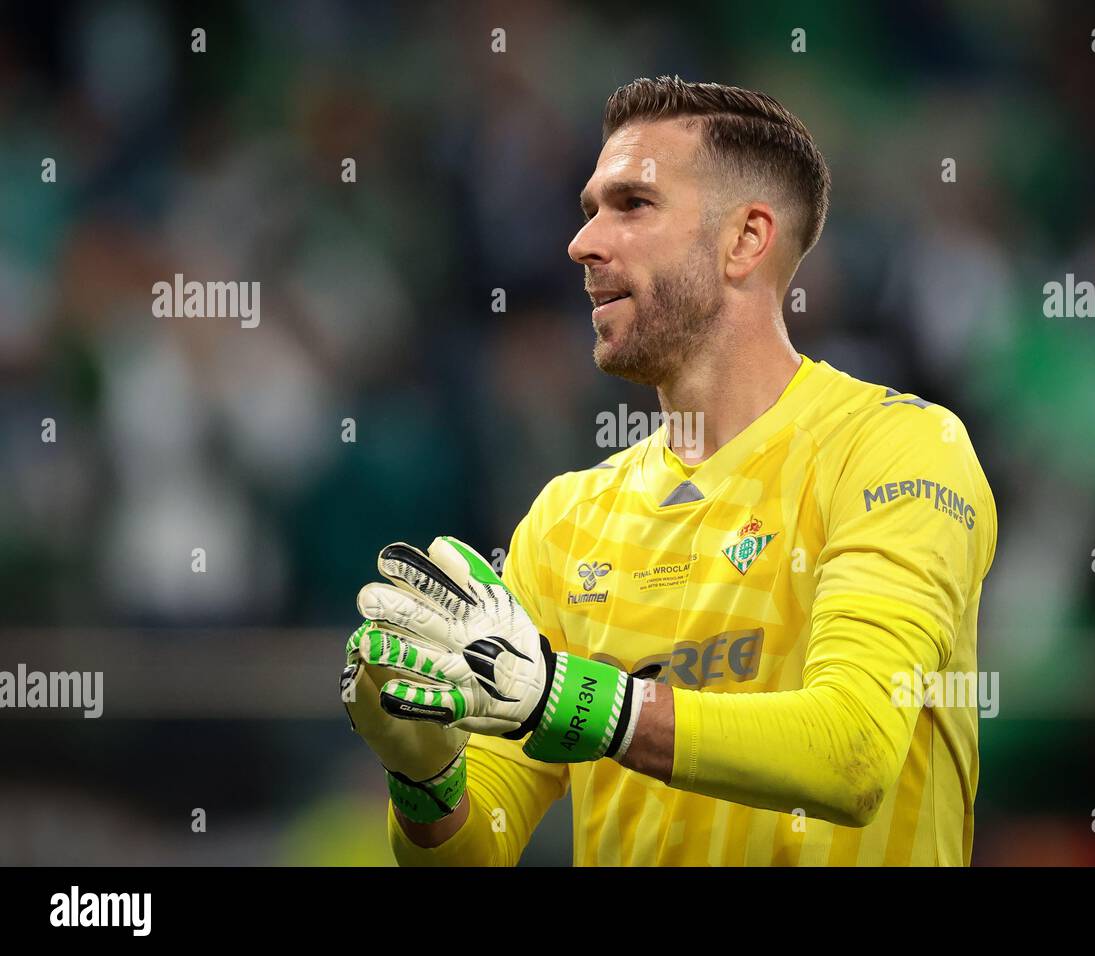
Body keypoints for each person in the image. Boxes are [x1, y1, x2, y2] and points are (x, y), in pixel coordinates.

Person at [343, 75, 997, 866]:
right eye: (590, 209)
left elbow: (852, 751)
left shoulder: (899, 449)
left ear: (745, 240)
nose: (583, 242)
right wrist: (426, 779)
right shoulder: (566, 519)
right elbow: (477, 852)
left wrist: (572, 699)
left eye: (632, 205)